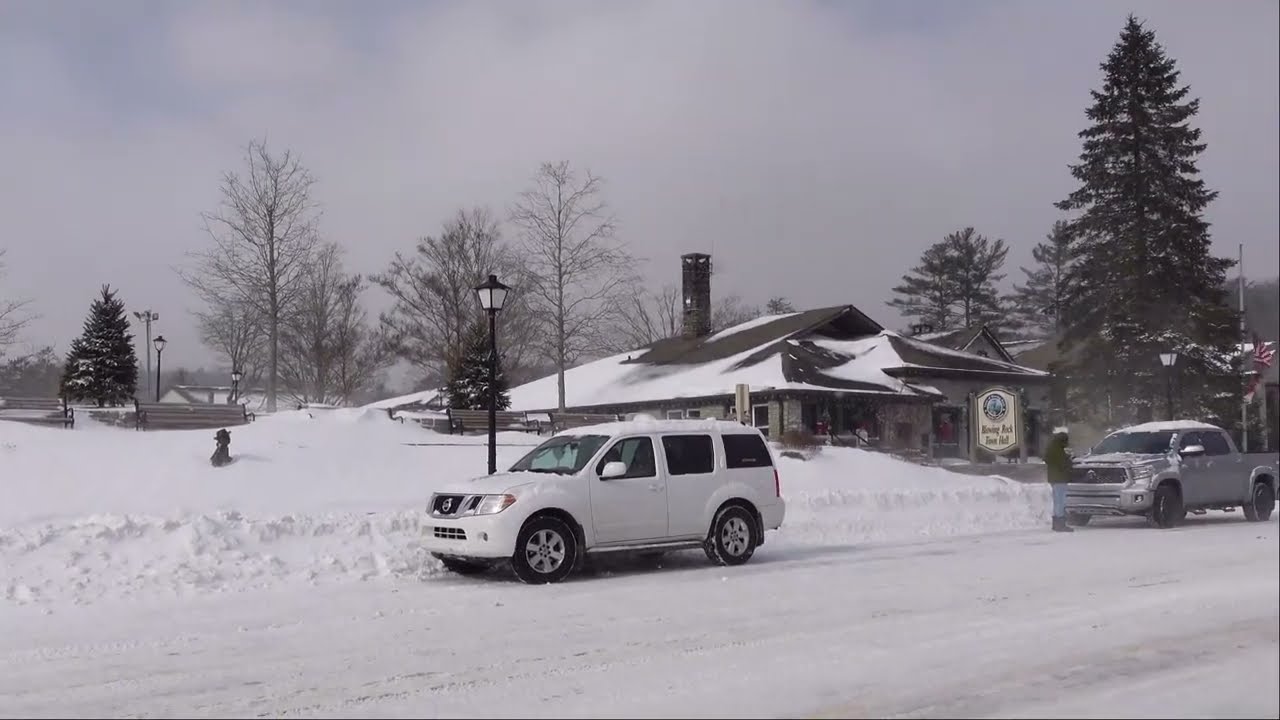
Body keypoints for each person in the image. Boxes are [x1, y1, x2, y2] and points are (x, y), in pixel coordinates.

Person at [1044, 426, 1074, 532]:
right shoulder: (1058, 449)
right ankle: (1060, 524)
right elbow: (1063, 464)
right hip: (1060, 478)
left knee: (1057, 501)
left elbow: (1048, 459)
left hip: (1053, 478)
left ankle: (1056, 524)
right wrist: (1069, 460)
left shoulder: (1052, 448)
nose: (1067, 444)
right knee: (1061, 502)